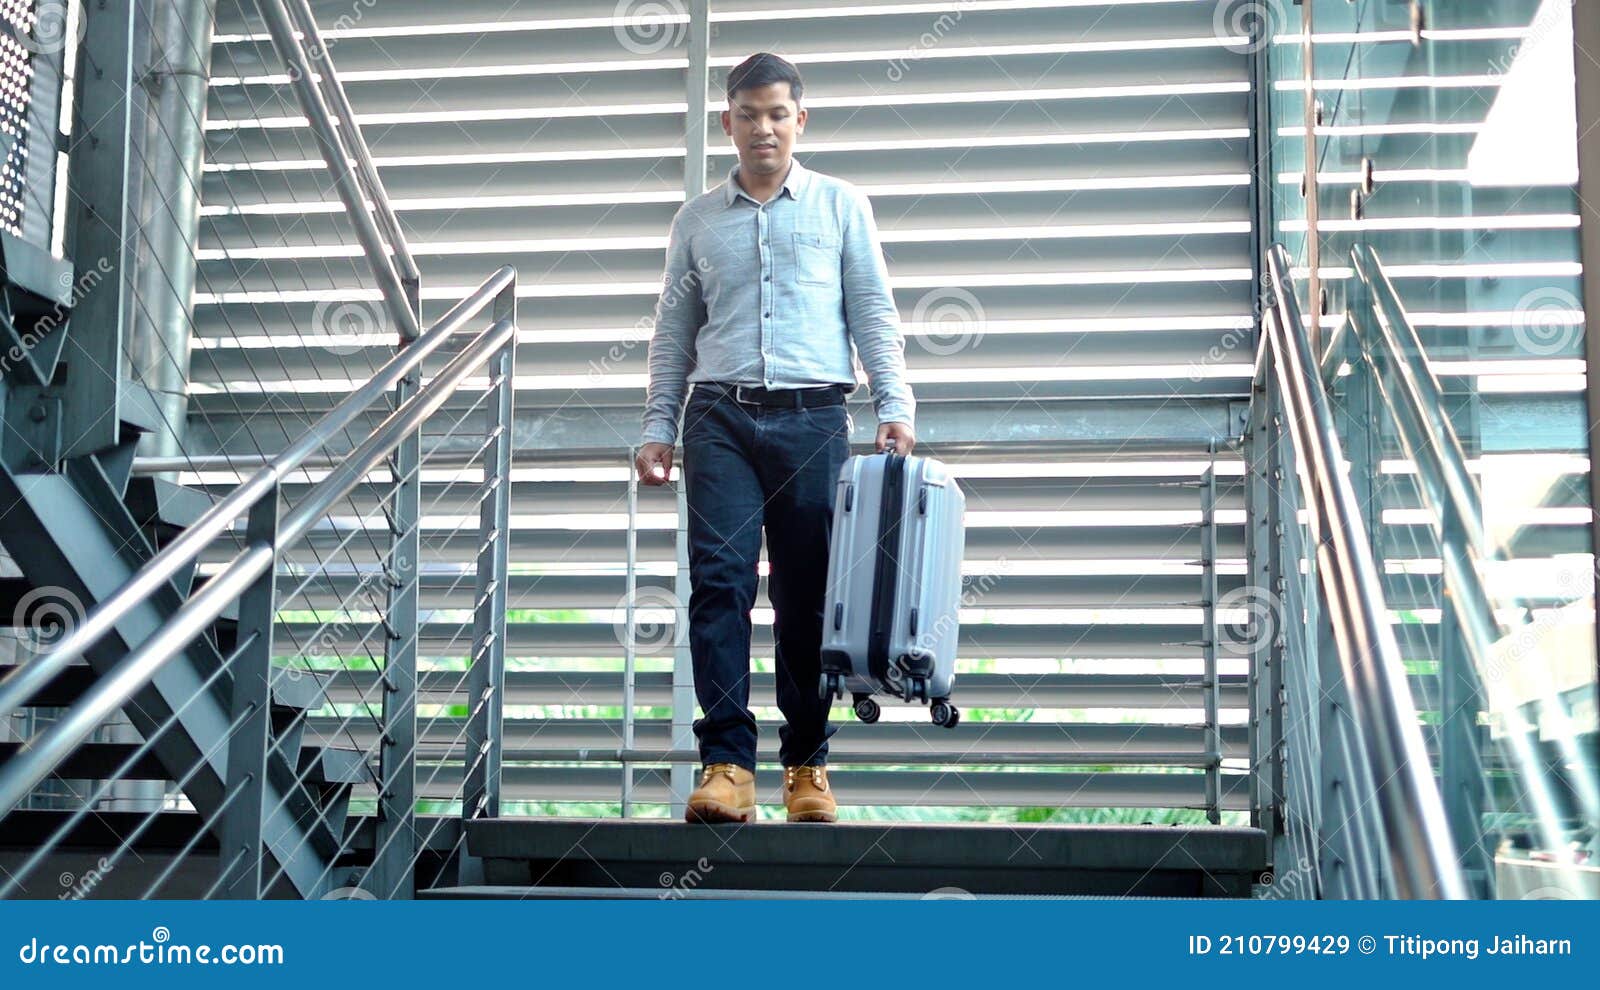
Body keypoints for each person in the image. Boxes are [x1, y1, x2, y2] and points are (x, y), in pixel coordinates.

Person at [636, 51, 916, 824]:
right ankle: (725, 766)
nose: (764, 127)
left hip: (814, 419)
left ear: (800, 119)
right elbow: (673, 333)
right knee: (719, 587)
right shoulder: (696, 220)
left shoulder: (840, 207)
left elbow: (873, 310)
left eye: (778, 113)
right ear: (726, 122)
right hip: (719, 418)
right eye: (749, 114)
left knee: (806, 598)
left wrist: (895, 402)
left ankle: (805, 769)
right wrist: (660, 426)